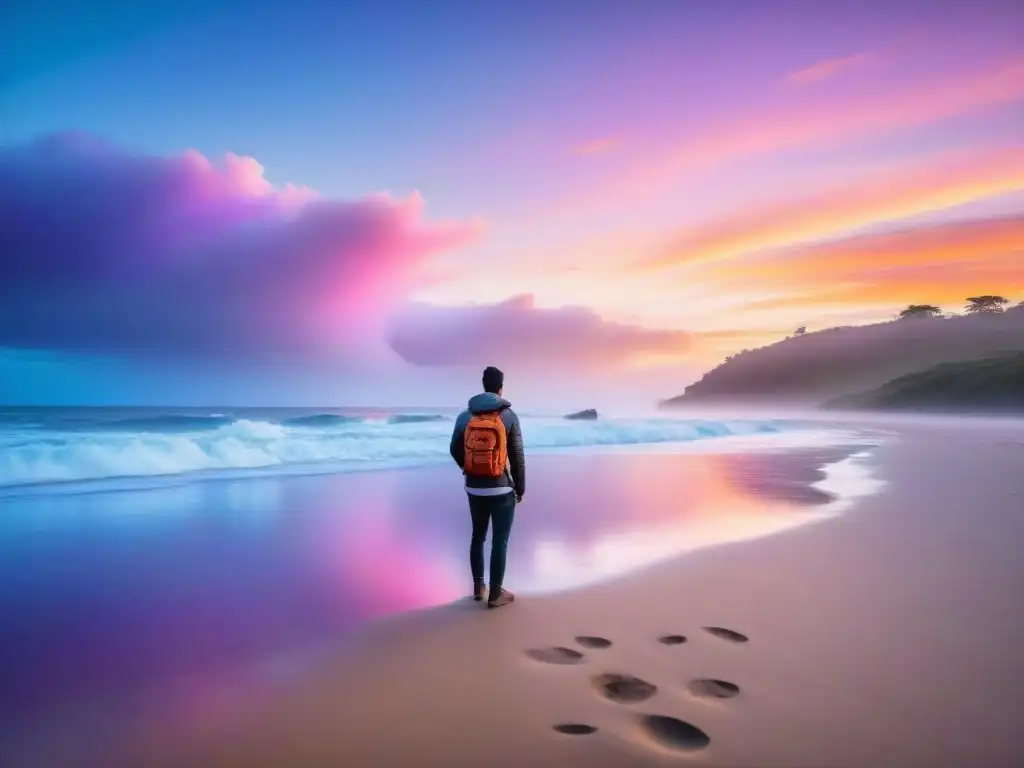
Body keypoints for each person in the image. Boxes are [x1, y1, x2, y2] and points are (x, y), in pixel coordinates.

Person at [449, 366, 526, 609]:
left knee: (478, 536)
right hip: (502, 488)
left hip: (474, 488)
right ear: (500, 387)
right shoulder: (509, 416)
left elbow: (453, 449)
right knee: (500, 539)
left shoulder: (465, 416)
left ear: (483, 385)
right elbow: (517, 455)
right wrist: (520, 487)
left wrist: (470, 468)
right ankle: (495, 594)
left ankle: (478, 588)